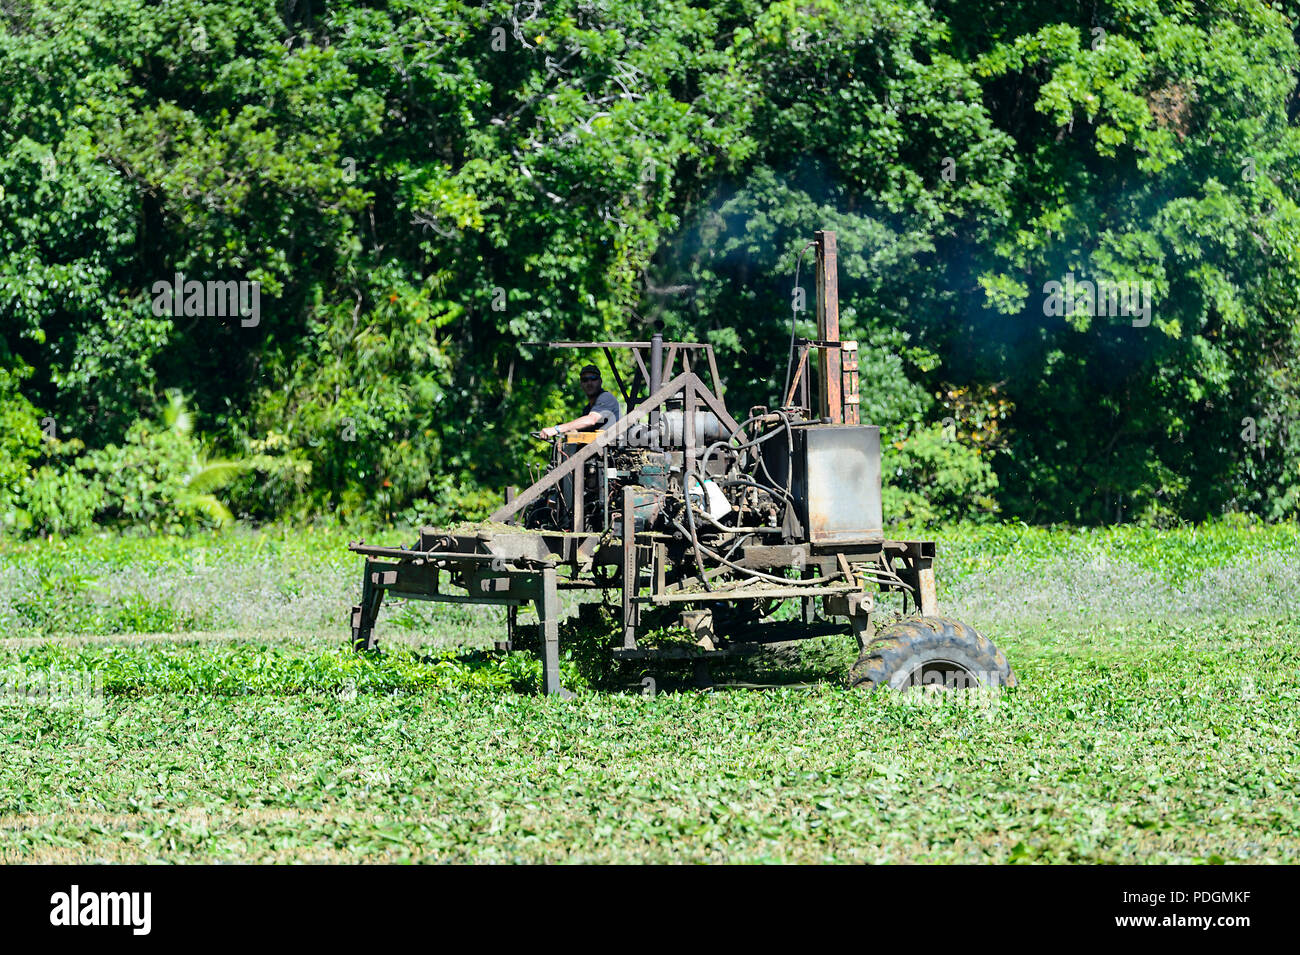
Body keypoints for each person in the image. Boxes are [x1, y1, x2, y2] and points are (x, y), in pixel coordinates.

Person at [537, 364, 621, 438]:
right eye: (585, 380)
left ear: (600, 381)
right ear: (581, 384)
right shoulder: (587, 409)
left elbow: (591, 420)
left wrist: (556, 429)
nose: (589, 383)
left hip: (613, 451)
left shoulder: (606, 397)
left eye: (593, 379)